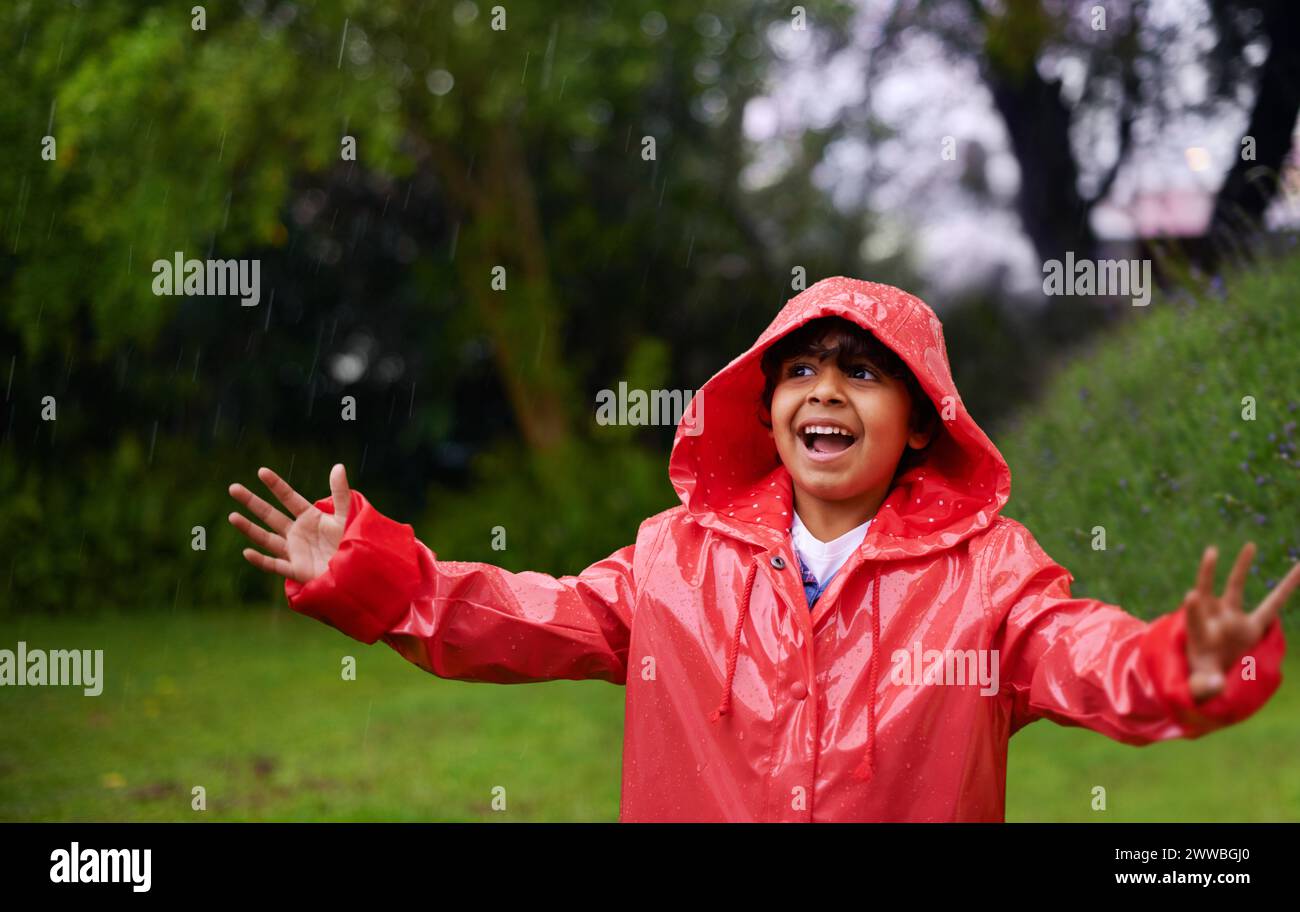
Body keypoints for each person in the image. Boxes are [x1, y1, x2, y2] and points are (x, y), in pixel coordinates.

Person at [227, 275, 1297, 822]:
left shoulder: (991, 573)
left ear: (922, 420)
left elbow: (1081, 652)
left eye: (862, 371)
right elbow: (523, 617)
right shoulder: (673, 558)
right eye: (801, 369)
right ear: (769, 402)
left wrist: (1183, 666)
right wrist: (372, 573)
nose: (824, 388)